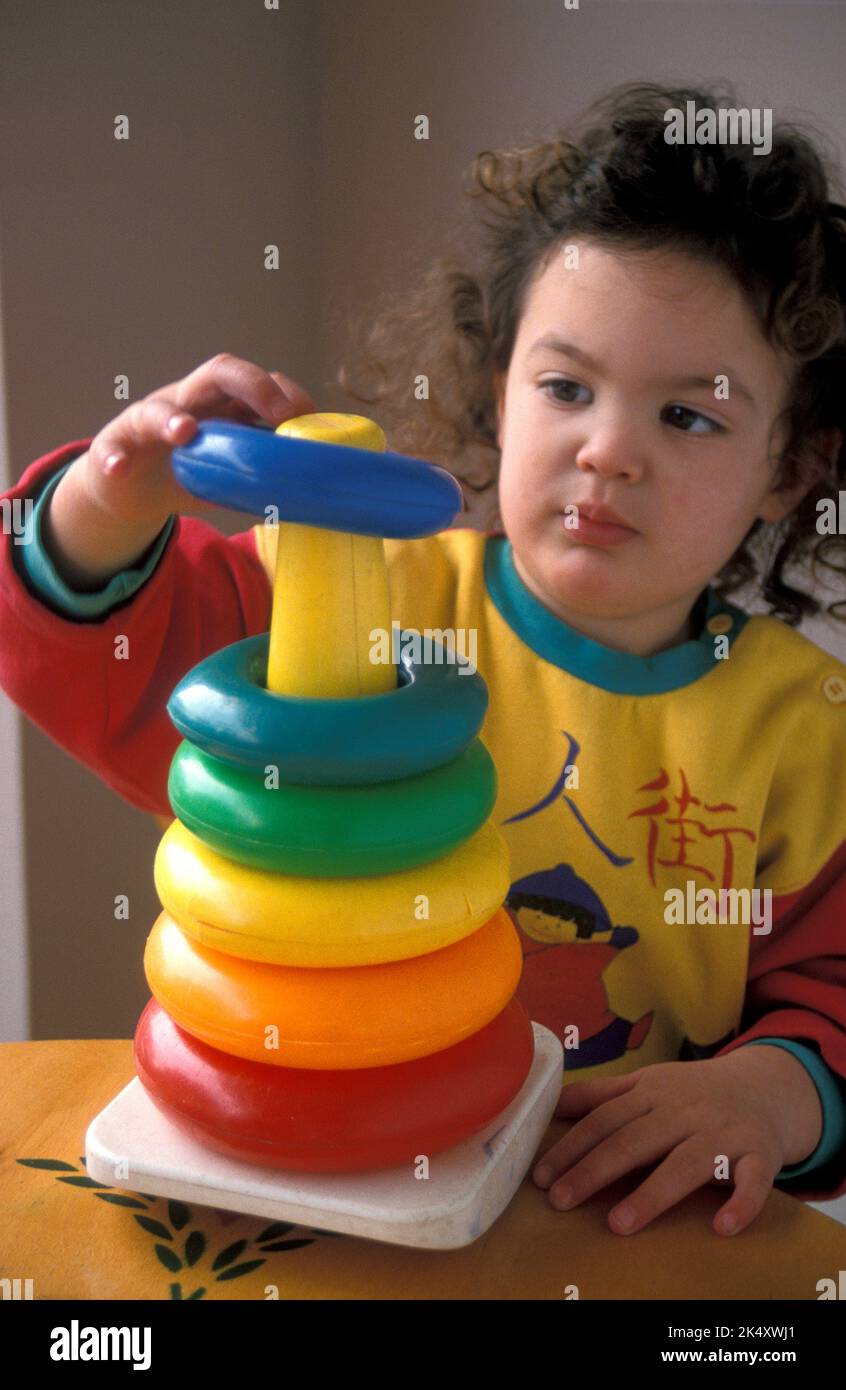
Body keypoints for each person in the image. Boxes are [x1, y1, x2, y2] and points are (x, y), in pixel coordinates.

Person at [2, 80, 846, 1239]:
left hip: (593, 1214)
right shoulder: (352, 598)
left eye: (688, 417)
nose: (606, 452)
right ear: (500, 392)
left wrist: (772, 1089)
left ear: (790, 468)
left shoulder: (804, 727)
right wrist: (107, 501)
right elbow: (110, 649)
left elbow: (834, 993)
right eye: (565, 387)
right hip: (292, 1178)